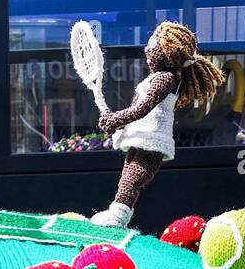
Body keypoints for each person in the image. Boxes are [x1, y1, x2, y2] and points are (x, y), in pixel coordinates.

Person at [93, 22, 224, 229]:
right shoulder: (160, 78)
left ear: (168, 51)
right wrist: (116, 120)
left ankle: (117, 218)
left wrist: (116, 119)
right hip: (143, 138)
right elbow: (139, 109)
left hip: (152, 141)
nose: (147, 49)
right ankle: (116, 214)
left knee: (131, 180)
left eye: (152, 44)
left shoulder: (164, 79)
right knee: (127, 178)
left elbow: (143, 109)